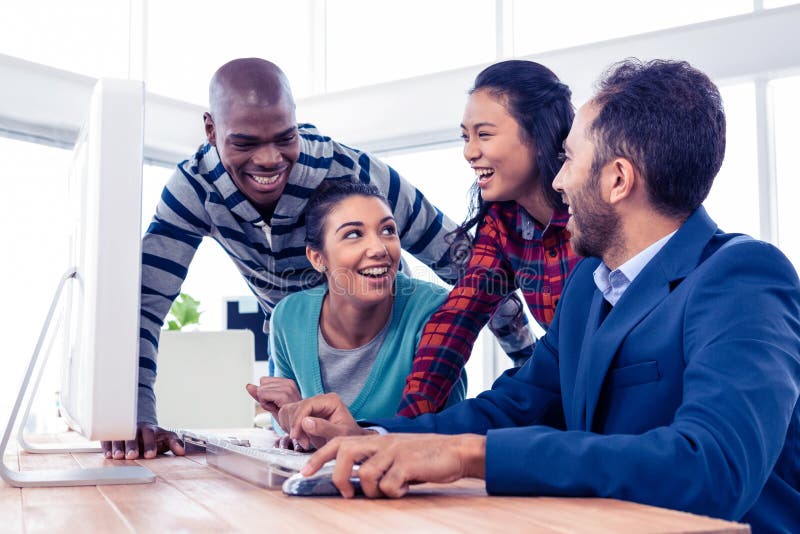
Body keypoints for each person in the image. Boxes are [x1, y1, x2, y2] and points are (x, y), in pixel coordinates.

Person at [276, 59, 800, 532]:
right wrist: (375, 435)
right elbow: (515, 405)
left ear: (617, 180)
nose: (561, 180)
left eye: (569, 160)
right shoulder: (588, 288)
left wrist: (472, 456)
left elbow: (712, 467)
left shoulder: (742, 279)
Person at [102, 57, 528, 460]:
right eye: (245, 142)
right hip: (304, 359)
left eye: (285, 137)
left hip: (390, 347)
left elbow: (474, 270)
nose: (269, 159)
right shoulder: (195, 190)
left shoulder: (353, 172)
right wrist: (133, 411)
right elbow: (145, 304)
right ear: (211, 130)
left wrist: (533, 372)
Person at [398, 60, 580, 416]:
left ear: (539, 135)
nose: (469, 152)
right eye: (465, 137)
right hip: (571, 392)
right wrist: (405, 424)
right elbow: (458, 317)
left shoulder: (596, 214)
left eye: (484, 135)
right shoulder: (503, 222)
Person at [245, 181, 466, 437]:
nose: (379, 249)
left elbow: (448, 430)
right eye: (353, 234)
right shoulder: (288, 317)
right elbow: (284, 421)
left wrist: (329, 430)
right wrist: (291, 419)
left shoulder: (435, 311)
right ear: (318, 258)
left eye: (388, 230)